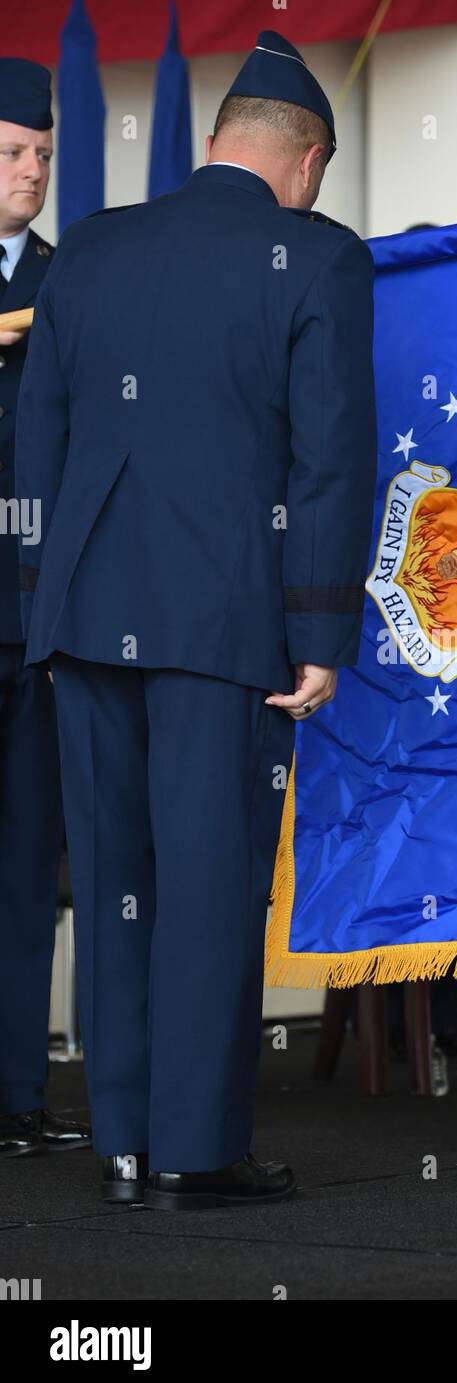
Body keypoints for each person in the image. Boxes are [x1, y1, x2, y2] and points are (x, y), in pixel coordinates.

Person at [15, 30, 377, 1209]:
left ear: (217, 139)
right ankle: (194, 1152)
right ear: (305, 161)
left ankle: (120, 1142)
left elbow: (44, 450)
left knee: (115, 882)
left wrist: (44, 613)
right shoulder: (318, 260)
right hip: (225, 629)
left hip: (83, 623)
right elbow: (329, 464)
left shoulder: (93, 251)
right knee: (212, 889)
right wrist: (320, 631)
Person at [0, 57, 89, 1158]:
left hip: (39, 622)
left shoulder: (73, 283)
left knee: (31, 873)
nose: (30, 173)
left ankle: (19, 1089)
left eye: (41, 157)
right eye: (13, 154)